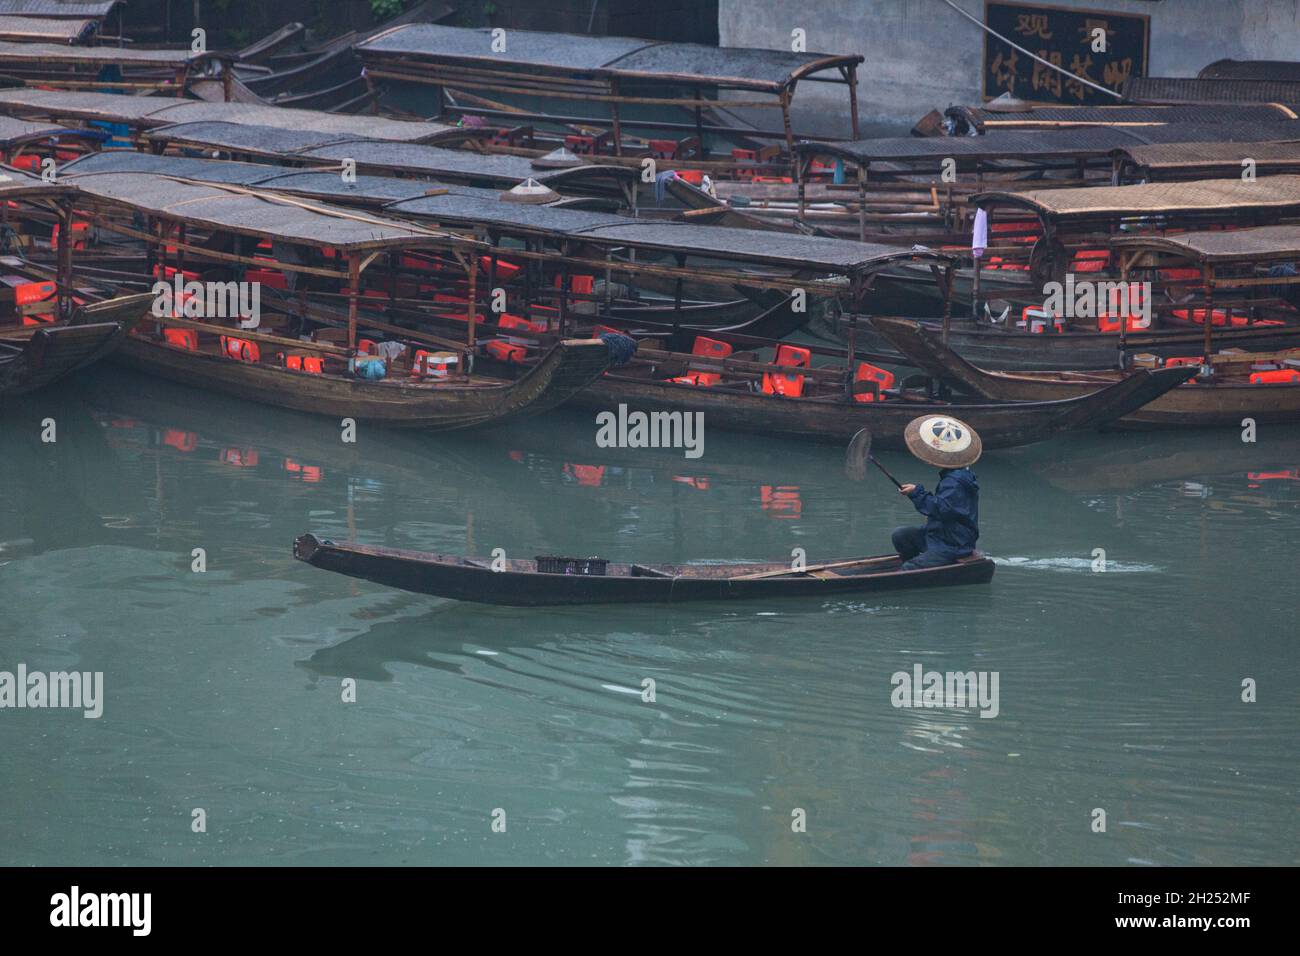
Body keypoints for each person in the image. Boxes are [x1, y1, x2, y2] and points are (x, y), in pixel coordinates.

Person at [891, 415, 982, 570]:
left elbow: (941, 509)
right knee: (901, 535)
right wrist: (915, 491)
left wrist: (916, 493)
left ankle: (918, 567)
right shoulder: (956, 474)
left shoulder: (954, 482)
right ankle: (925, 560)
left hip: (953, 543)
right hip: (939, 535)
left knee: (908, 568)